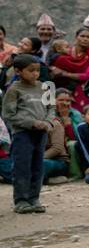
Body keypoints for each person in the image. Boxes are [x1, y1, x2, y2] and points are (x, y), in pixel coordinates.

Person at [2, 55, 54, 213]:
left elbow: (51, 108)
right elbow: (9, 115)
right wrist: (32, 123)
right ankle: (21, 200)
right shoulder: (14, 89)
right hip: (22, 133)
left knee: (38, 166)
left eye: (37, 70)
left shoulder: (45, 87)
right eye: (31, 71)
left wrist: (48, 122)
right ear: (18, 71)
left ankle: (34, 198)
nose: (35, 74)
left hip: (41, 133)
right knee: (21, 166)